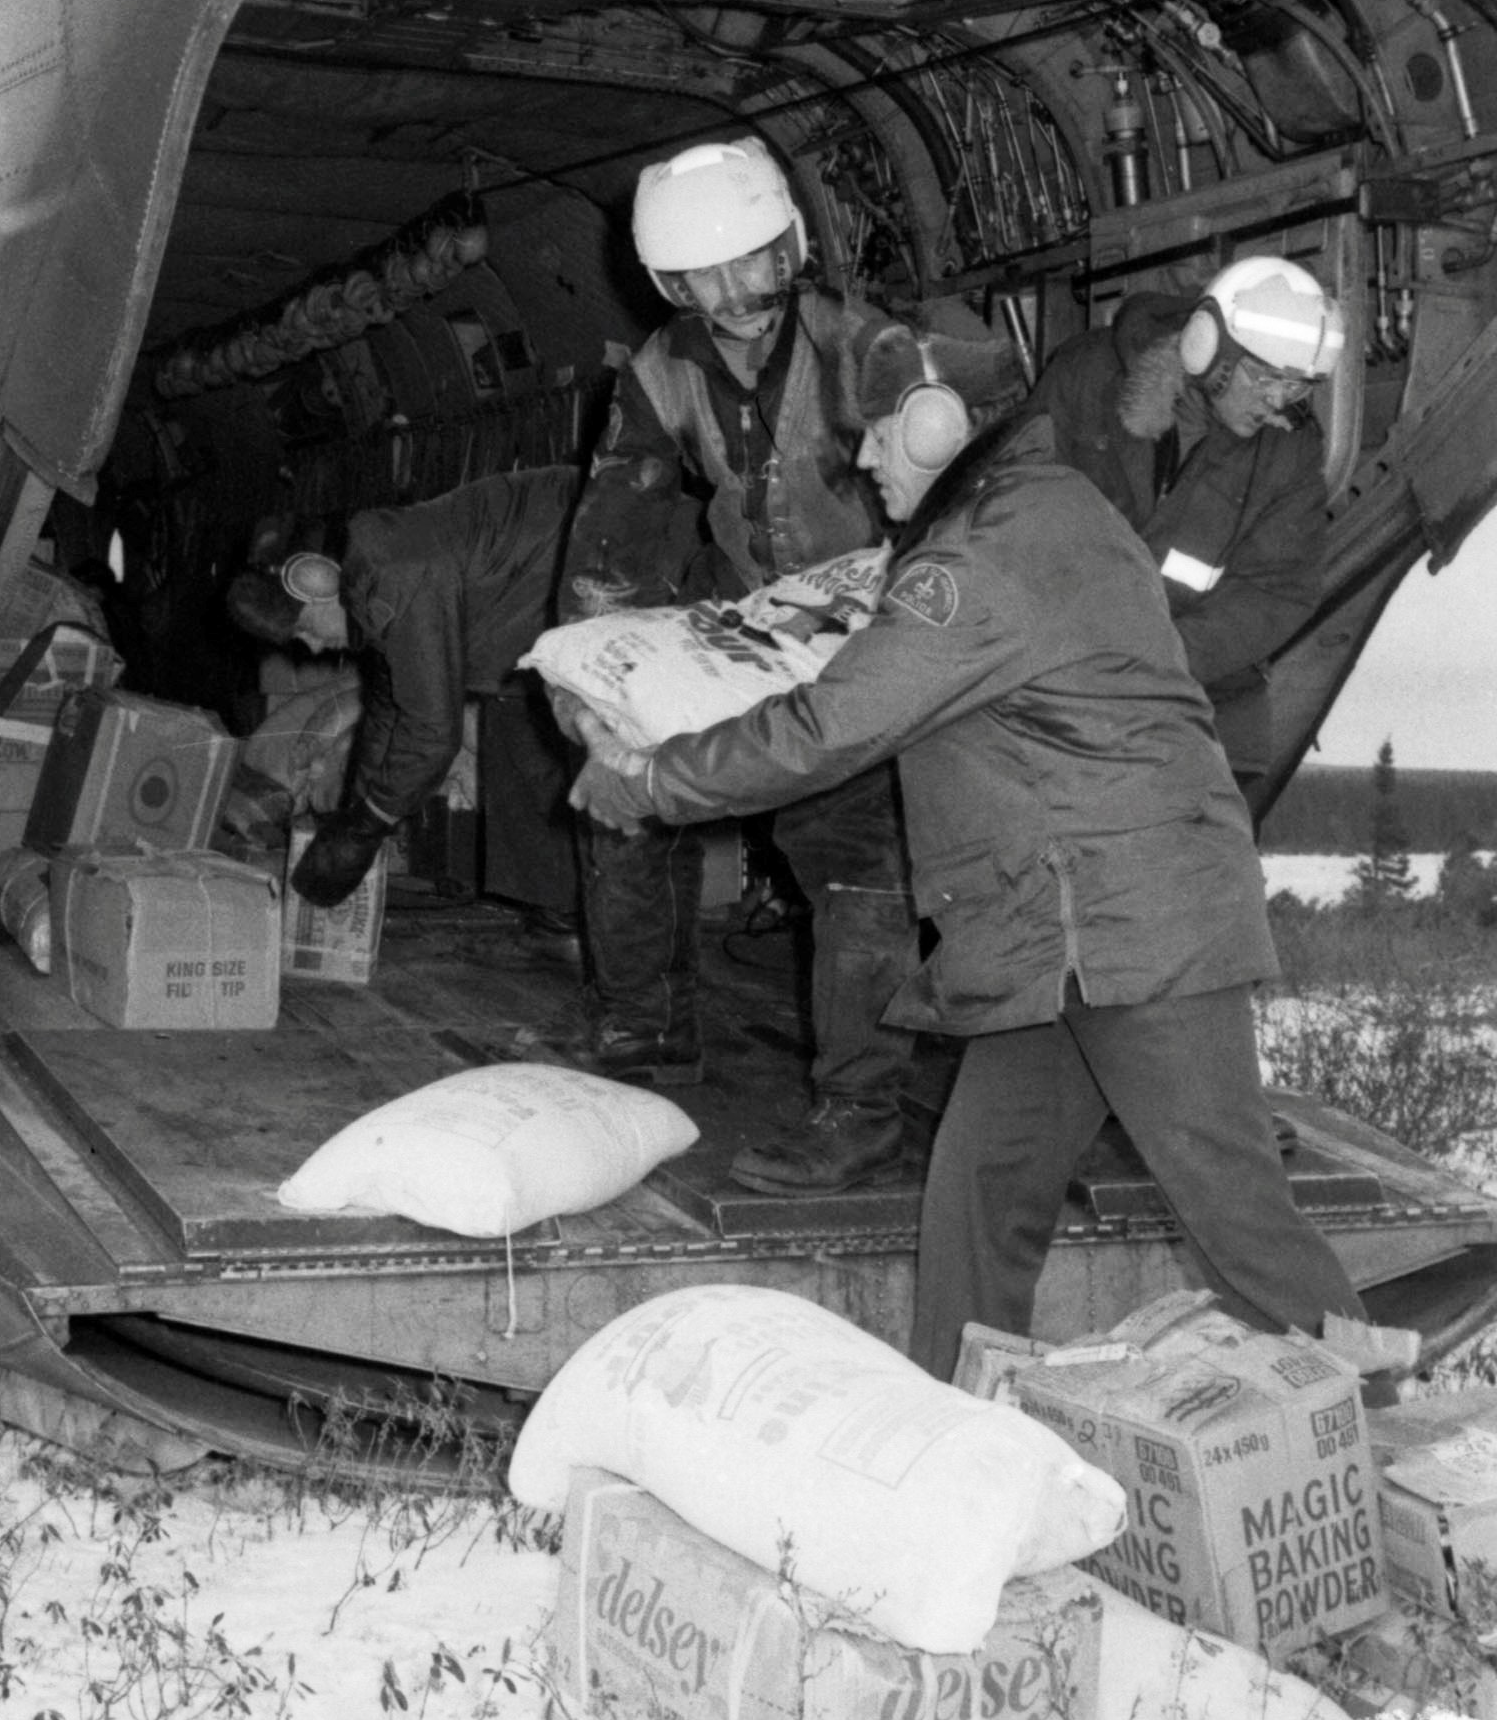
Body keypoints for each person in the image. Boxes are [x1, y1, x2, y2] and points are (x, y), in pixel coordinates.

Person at [567, 322, 1372, 1380]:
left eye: (877, 437)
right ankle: (954, 1416)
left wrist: (650, 781)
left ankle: (1390, 1431)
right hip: (1072, 938)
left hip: (1130, 931)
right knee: (982, 1189)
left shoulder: (986, 554)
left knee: (1236, 1216)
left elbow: (830, 727)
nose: (859, 459)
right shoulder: (1044, 510)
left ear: (940, 425)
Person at [556, 137, 1020, 1192]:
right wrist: (601, 692)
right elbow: (612, 538)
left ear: (791, 251)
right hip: (749, 634)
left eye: (753, 266)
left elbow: (943, 426)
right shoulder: (659, 374)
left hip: (877, 643)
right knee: (616, 792)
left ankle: (858, 1110)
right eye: (699, 279)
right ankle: (648, 1035)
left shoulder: (864, 346)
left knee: (852, 861)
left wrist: (928, 416)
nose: (732, 295)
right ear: (666, 284)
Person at [1025, 255, 1344, 803]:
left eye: (1296, 387)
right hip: (1054, 672)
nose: (1277, 403)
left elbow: (1276, 589)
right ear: (1207, 347)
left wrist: (1159, 654)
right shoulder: (1089, 377)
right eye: (1265, 377)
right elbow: (1017, 505)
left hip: (1195, 702)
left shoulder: (1289, 452)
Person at [244, 466, 582, 909]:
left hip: (602, 560)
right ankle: (557, 914)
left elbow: (433, 732)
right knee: (517, 737)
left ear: (319, 581)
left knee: (606, 766)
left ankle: (640, 958)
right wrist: (353, 809)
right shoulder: (371, 586)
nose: (310, 646)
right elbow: (389, 710)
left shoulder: (394, 573)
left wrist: (367, 827)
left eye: (303, 628)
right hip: (541, 604)